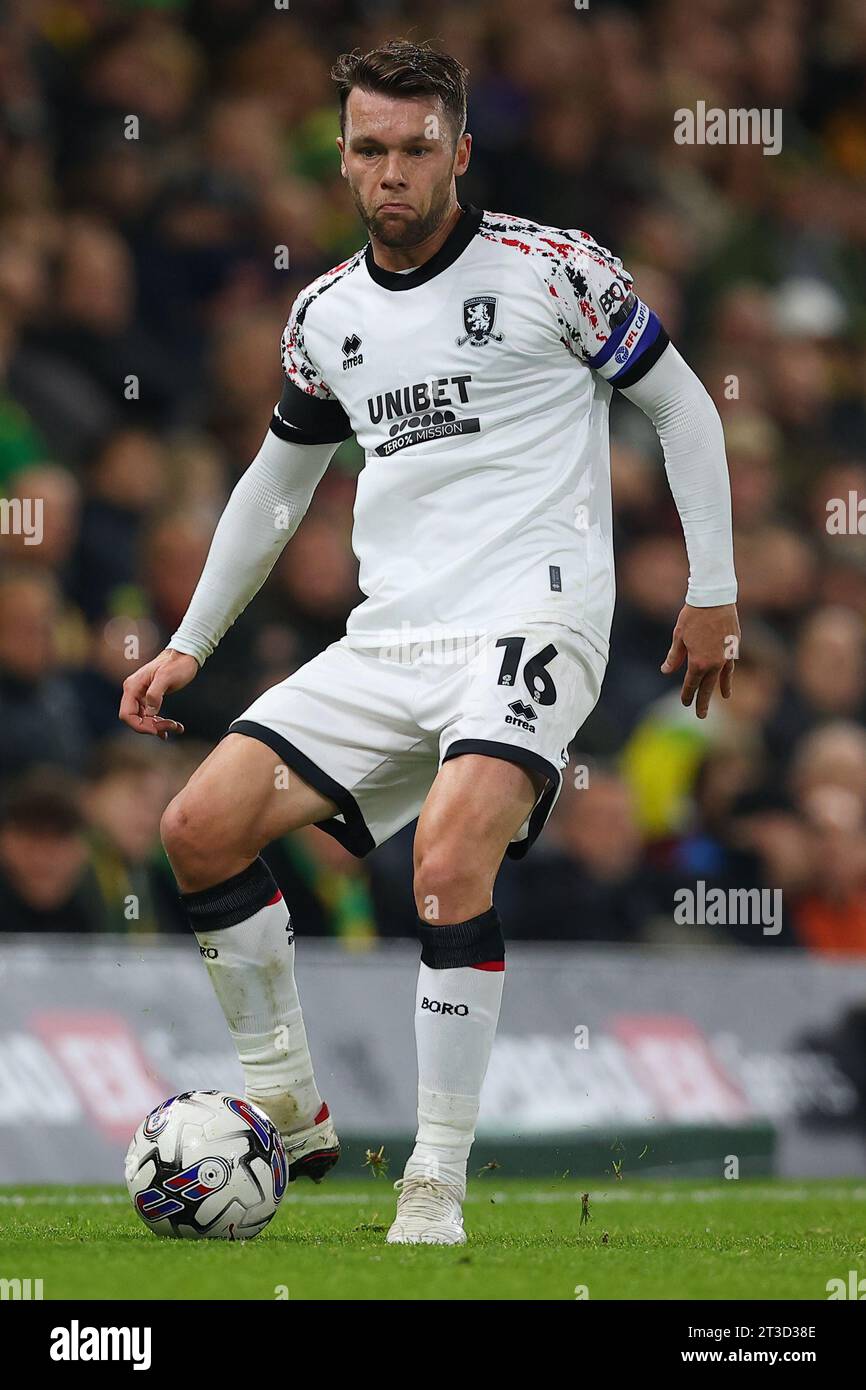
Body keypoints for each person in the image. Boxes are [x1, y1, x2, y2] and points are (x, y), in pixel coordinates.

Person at [118, 40, 739, 1245]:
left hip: (533, 614)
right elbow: (274, 487)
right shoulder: (323, 317)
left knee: (449, 859)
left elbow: (679, 402)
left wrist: (709, 589)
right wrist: (189, 640)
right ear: (342, 159)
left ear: (459, 151)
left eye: (414, 149)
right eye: (368, 150)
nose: (390, 172)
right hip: (390, 634)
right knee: (194, 829)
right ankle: (292, 1113)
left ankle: (434, 1180)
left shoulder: (552, 268)